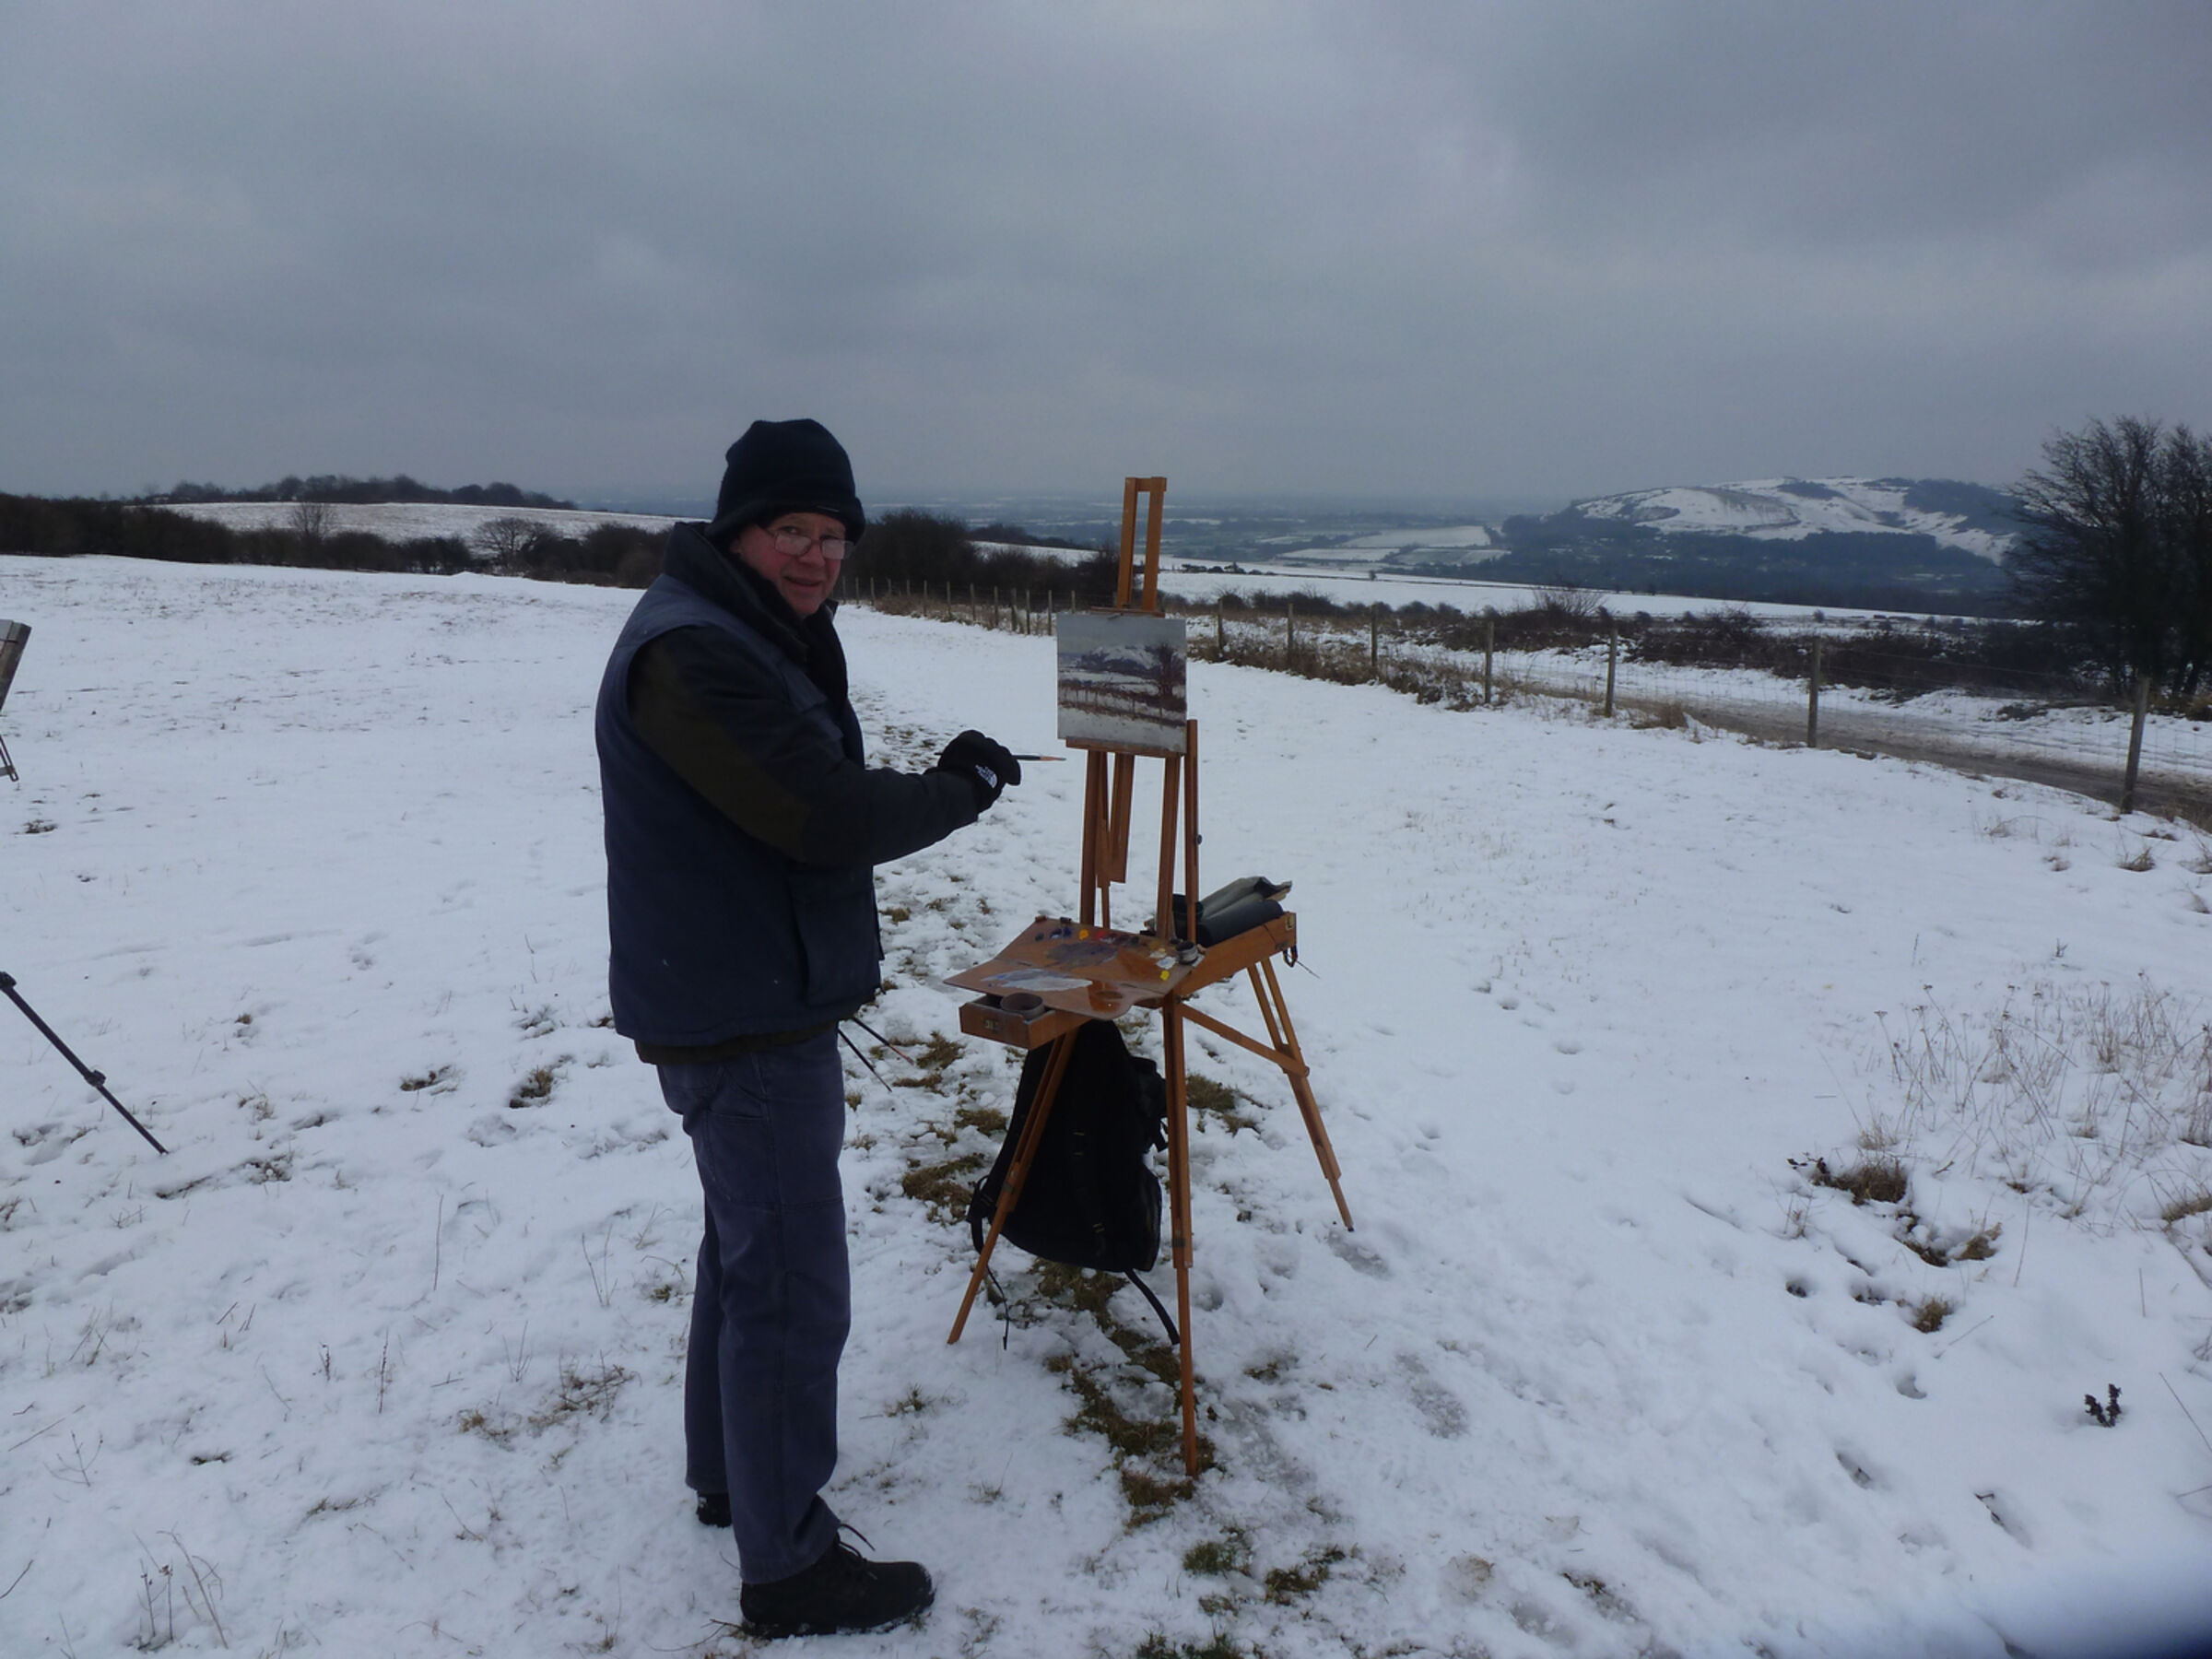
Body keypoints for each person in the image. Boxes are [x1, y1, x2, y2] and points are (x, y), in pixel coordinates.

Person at [594, 418, 1019, 1637]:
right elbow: (818, 814)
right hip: (742, 1012)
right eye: (797, 529)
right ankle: (787, 1566)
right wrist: (961, 791)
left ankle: (735, 1477)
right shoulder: (696, 653)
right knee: (788, 1280)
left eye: (836, 536)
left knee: (748, 1249)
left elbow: (799, 780)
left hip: (736, 990)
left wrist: (928, 780)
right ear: (741, 526)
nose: (820, 555)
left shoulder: (743, 629)